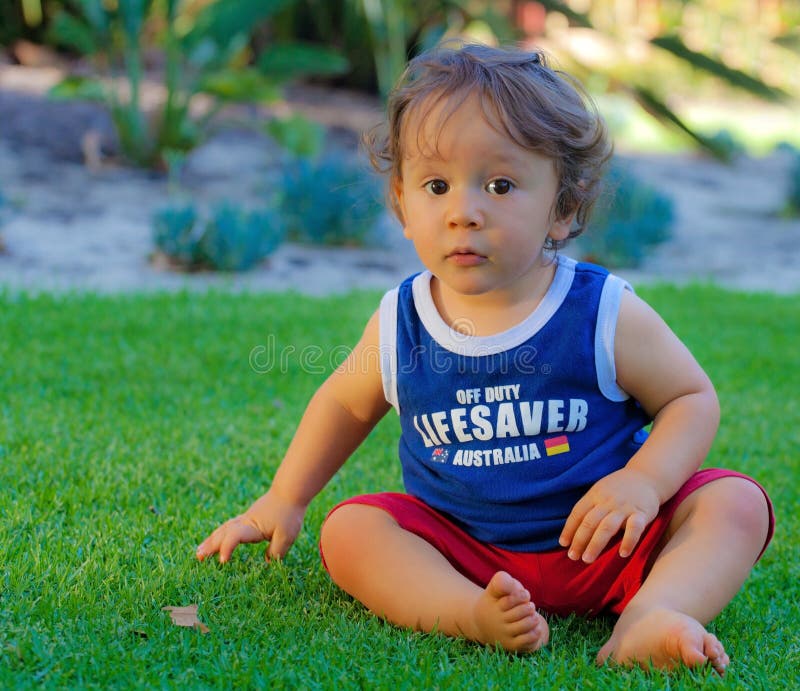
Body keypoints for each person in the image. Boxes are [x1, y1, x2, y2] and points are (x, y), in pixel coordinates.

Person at [196, 42, 774, 674]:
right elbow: (343, 400)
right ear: (401, 203)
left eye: (500, 185)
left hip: (610, 542)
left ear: (564, 208)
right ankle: (470, 614)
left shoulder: (601, 311)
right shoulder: (402, 321)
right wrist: (285, 497)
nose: (463, 213)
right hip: (463, 551)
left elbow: (690, 399)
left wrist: (644, 482)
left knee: (734, 503)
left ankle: (652, 613)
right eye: (436, 185)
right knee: (352, 531)